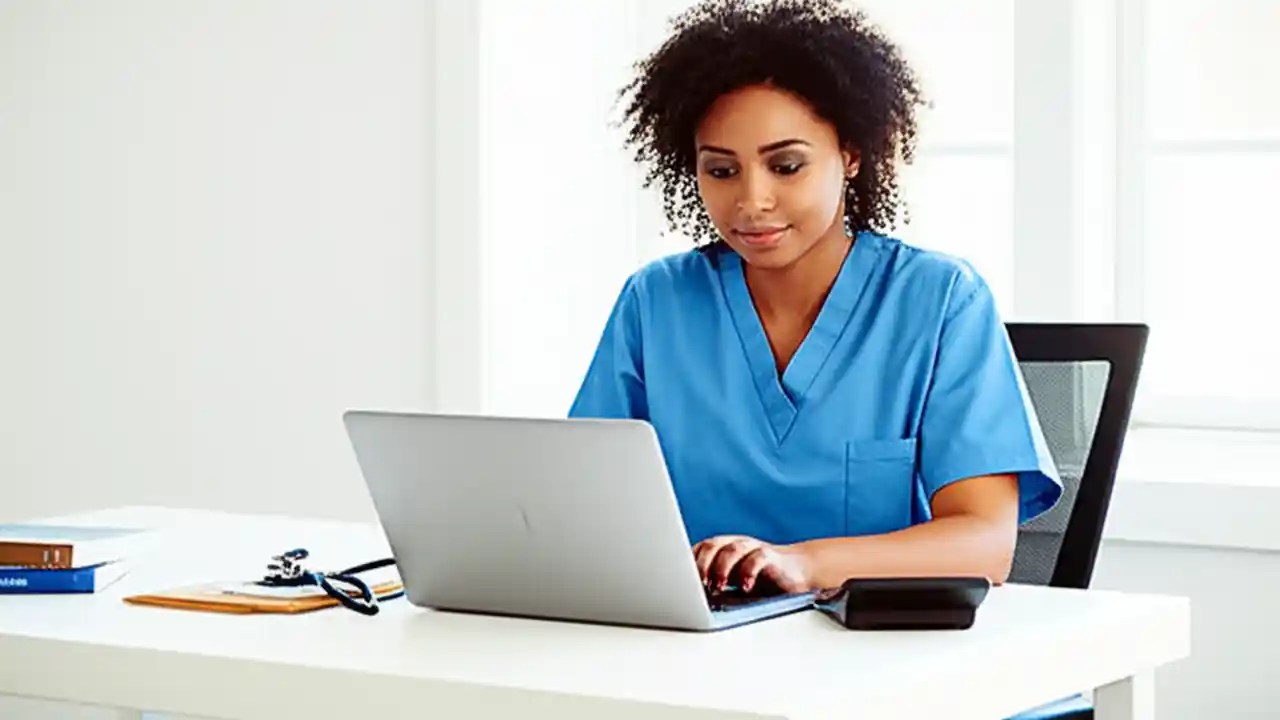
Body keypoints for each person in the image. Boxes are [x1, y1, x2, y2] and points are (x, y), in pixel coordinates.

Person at [569, 0, 1062, 598]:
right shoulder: (655, 303)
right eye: (722, 172)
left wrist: (803, 563)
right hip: (695, 654)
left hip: (878, 656)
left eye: (786, 165)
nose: (752, 200)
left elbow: (984, 544)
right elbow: (582, 516)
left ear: (849, 155)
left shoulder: (940, 302)